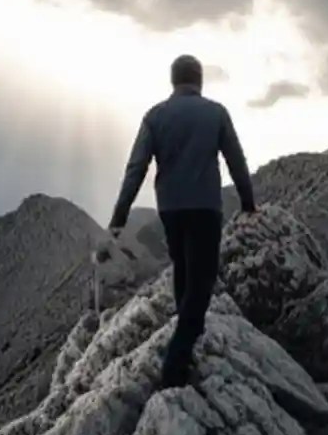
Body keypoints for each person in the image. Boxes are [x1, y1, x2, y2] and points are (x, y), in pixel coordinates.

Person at [109, 54, 256, 388]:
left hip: (171, 209)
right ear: (199, 80)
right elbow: (236, 160)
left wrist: (119, 216)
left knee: (183, 271)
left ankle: (187, 338)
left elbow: (137, 168)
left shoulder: (155, 116)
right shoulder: (216, 113)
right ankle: (176, 362)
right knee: (201, 282)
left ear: (173, 81)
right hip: (205, 206)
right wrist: (248, 203)